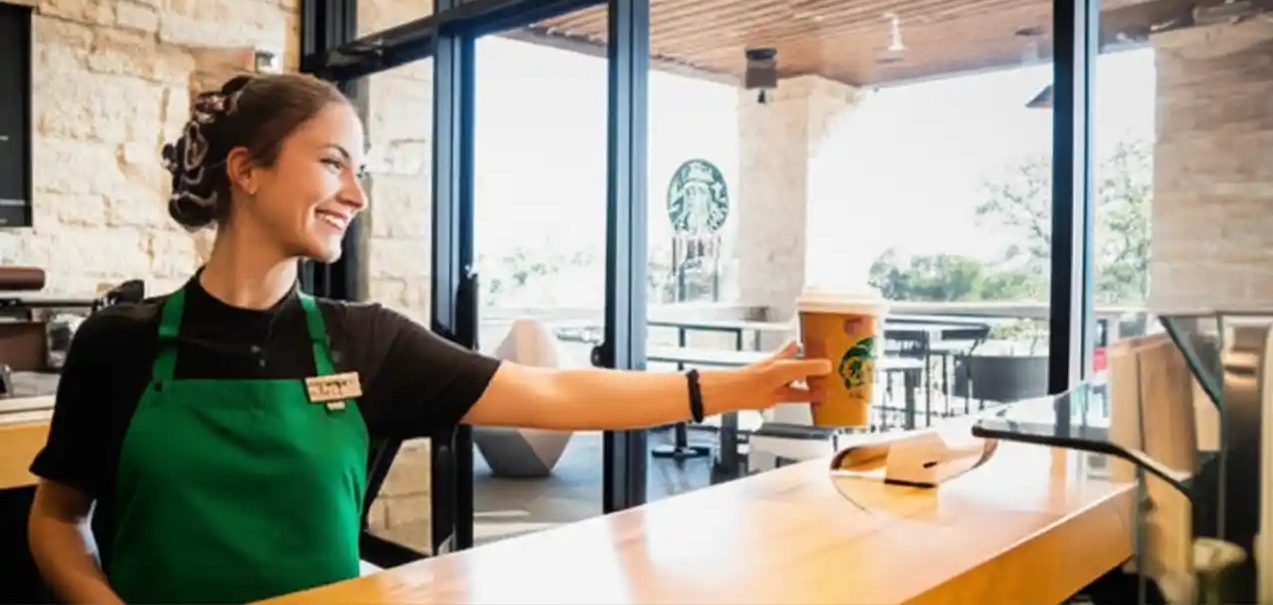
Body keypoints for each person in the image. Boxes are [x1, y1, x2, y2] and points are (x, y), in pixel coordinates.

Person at [25, 72, 831, 604]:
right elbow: (57, 520)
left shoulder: (366, 343)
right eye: (334, 164)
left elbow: (550, 391)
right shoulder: (119, 345)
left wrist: (731, 388)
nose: (356, 194)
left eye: (362, 172)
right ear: (247, 170)